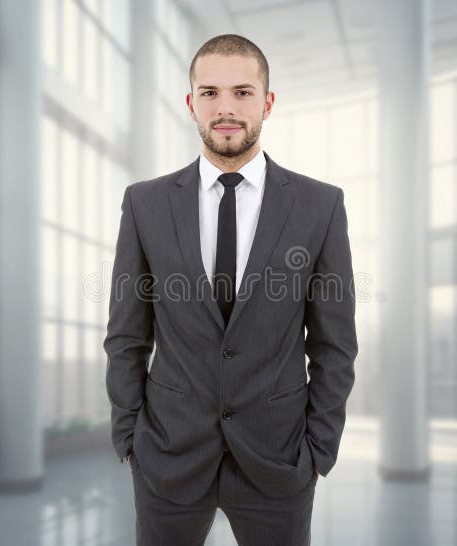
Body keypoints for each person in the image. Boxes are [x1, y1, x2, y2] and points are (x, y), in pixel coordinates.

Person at [104, 33, 358, 546]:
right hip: (168, 455)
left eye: (242, 92)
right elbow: (126, 335)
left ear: (267, 102)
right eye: (210, 93)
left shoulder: (319, 206)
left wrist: (319, 448)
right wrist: (131, 438)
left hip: (279, 457)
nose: (225, 108)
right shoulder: (145, 204)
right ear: (191, 103)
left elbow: (334, 344)